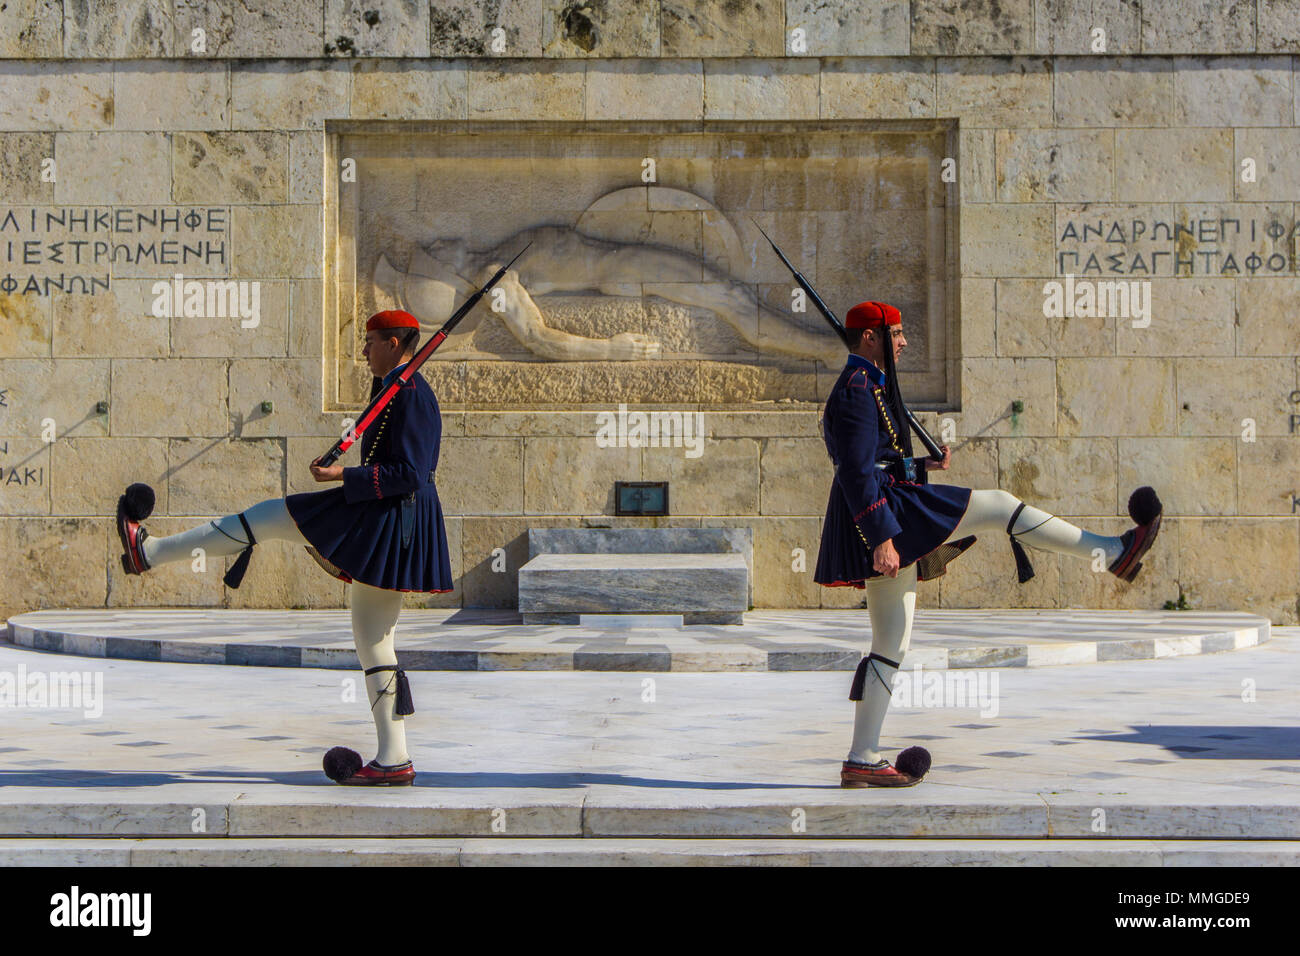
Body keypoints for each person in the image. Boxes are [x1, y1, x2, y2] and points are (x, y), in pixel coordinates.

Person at [814, 301, 1162, 788]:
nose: (904, 341)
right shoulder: (855, 390)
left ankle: (862, 758)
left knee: (890, 644)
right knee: (999, 505)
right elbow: (855, 474)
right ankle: (1112, 552)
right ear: (870, 337)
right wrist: (882, 538)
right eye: (895, 333)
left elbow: (878, 463)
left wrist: (920, 468)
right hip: (885, 515)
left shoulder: (866, 383)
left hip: (890, 505)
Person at [115, 310, 453, 786]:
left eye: (371, 342)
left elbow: (412, 474)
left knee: (270, 516)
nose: (363, 351)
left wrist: (344, 476)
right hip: (388, 516)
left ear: (396, 344)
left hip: (390, 518)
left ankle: (148, 553)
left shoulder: (412, 392)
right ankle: (394, 758)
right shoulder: (394, 386)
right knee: (373, 641)